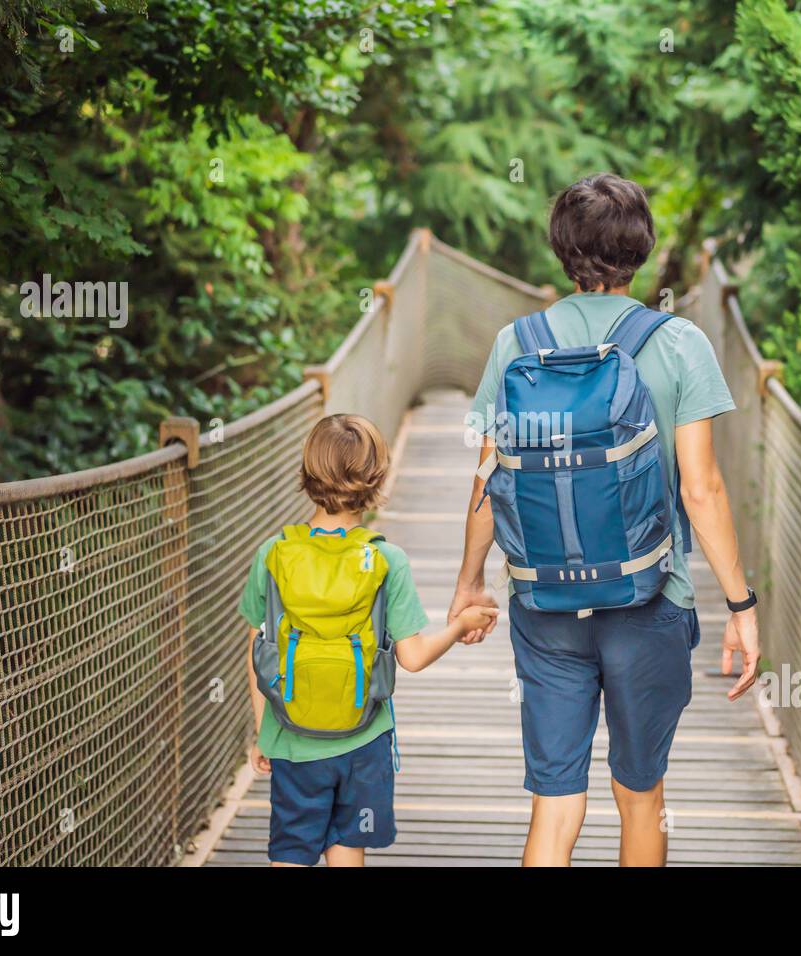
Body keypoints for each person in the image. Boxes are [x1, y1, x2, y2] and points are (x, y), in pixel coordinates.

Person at [448, 173, 761, 866]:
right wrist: (741, 603)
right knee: (641, 797)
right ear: (642, 249)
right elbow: (702, 489)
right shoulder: (679, 343)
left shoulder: (515, 343)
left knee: (555, 804)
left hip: (545, 599)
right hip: (647, 602)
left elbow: (487, 478)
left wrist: (469, 582)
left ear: (561, 250)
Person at [239, 413, 498, 867]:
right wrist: (458, 628)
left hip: (290, 738)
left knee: (291, 851)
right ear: (375, 479)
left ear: (307, 475)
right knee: (347, 849)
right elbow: (412, 658)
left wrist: (265, 732)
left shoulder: (273, 554)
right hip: (362, 741)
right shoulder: (385, 560)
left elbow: (257, 649)